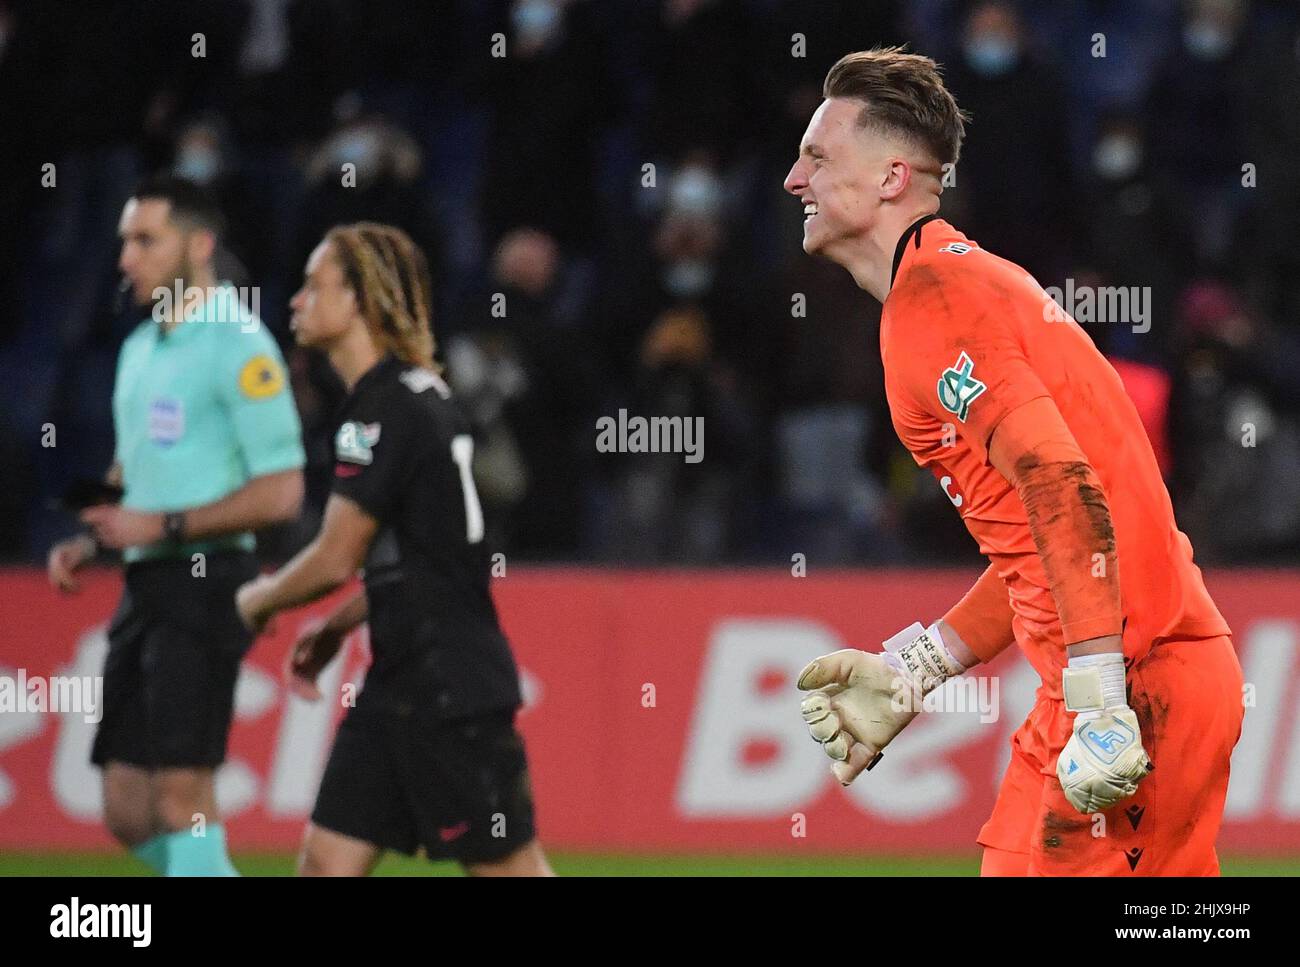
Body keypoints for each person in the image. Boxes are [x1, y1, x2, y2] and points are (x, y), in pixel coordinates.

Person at [784, 49, 1242, 876]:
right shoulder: (949, 288)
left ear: (892, 178)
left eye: (817, 156)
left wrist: (1102, 696)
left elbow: (1060, 483)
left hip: (1134, 683)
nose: (793, 179)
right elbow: (1041, 538)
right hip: (1104, 678)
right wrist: (918, 669)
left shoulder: (941, 301)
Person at [234, 222, 551, 876]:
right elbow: (425, 558)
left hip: (448, 688)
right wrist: (337, 623)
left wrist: (253, 599)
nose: (295, 300)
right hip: (401, 680)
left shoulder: (380, 411)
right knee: (325, 863)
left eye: (314, 285)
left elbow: (335, 554)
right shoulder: (420, 395)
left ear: (356, 300)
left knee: (510, 871)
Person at [46, 174, 306, 875]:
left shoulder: (239, 344)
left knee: (183, 791)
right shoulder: (139, 348)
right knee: (125, 804)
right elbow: (134, 463)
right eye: (124, 240)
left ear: (198, 245)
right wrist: (93, 533)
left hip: (206, 580)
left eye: (145, 240)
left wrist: (163, 525)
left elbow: (282, 491)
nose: (126, 257)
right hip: (145, 584)